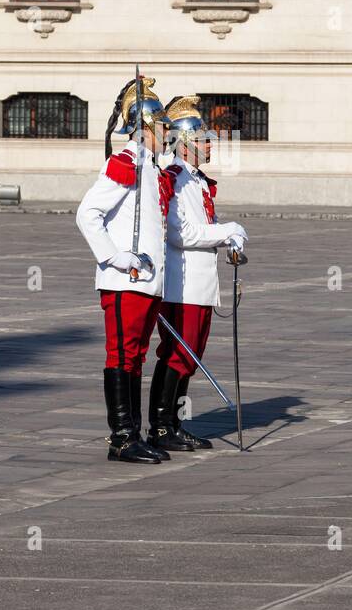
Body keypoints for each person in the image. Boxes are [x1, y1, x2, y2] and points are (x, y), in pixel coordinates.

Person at [76, 76, 175, 464]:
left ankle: (132, 433)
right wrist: (116, 257)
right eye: (162, 125)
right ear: (146, 127)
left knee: (135, 357)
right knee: (121, 355)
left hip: (147, 282)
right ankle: (121, 438)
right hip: (125, 281)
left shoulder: (152, 166)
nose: (167, 132)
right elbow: (88, 214)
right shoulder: (127, 162)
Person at [148, 95, 248, 453]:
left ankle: (172, 424)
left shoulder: (197, 181)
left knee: (189, 354)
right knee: (178, 353)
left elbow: (201, 229)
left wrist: (228, 238)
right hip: (182, 284)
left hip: (200, 284)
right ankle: (161, 427)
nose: (211, 144)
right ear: (186, 143)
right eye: (205, 138)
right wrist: (227, 231)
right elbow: (181, 233)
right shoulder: (175, 178)